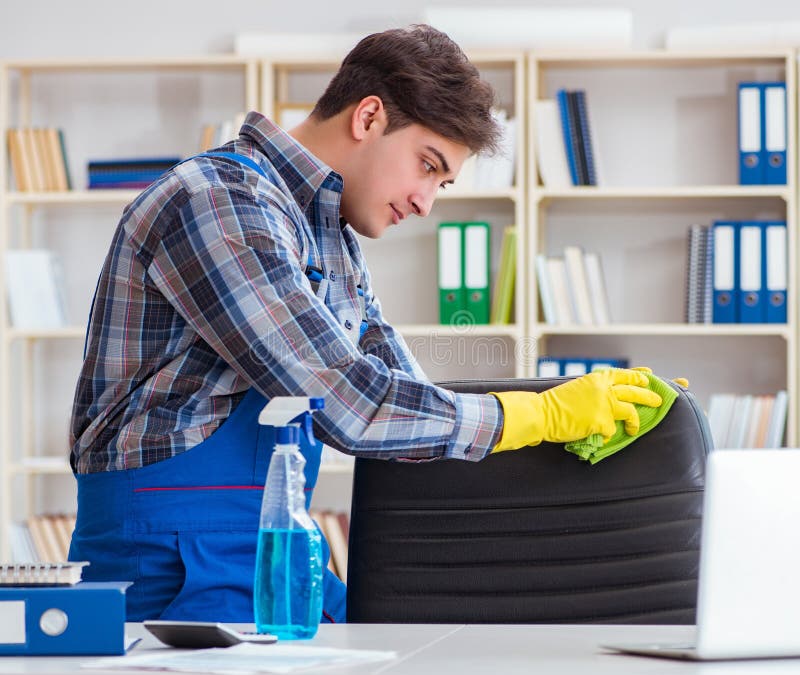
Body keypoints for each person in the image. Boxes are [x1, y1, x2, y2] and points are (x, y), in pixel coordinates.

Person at [68, 24, 662, 624]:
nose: (427, 202)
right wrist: (536, 415)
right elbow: (348, 402)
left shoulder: (332, 238)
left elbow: (402, 406)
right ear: (369, 116)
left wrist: (566, 424)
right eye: (427, 166)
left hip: (268, 546)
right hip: (169, 558)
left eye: (444, 181)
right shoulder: (218, 200)